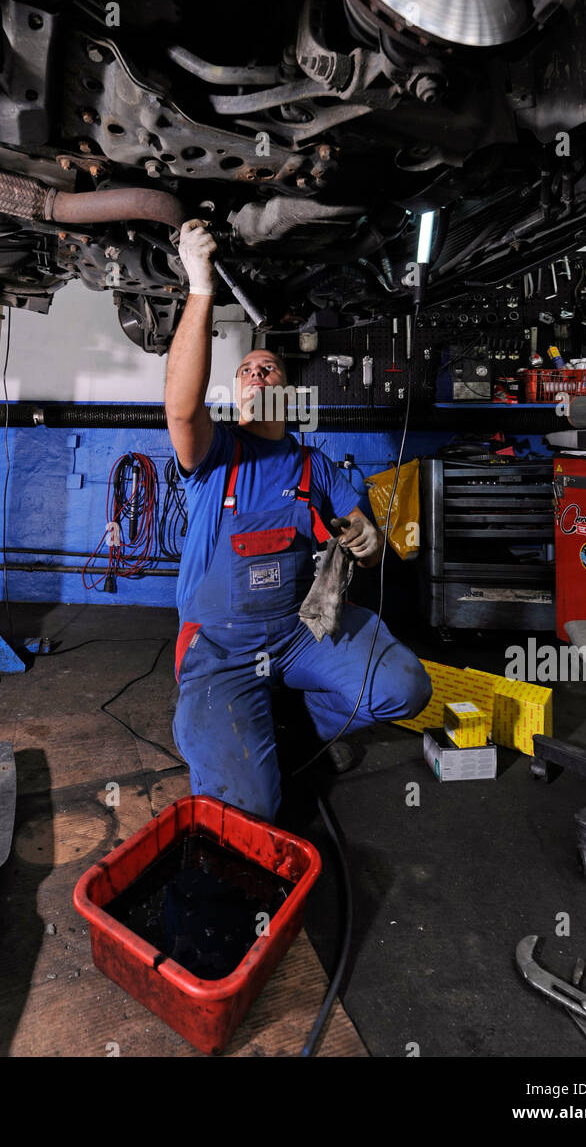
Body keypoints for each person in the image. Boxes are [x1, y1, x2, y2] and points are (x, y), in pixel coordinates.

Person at [164, 218, 432, 820]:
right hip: (221, 647)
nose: (259, 375)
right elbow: (181, 411)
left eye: (270, 370)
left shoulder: (319, 468)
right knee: (249, 809)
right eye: (248, 371)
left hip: (298, 634)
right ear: (236, 393)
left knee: (404, 689)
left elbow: (368, 544)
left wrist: (367, 541)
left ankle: (306, 722)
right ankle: (231, 729)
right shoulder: (216, 454)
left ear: (289, 390)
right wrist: (200, 285)